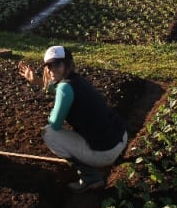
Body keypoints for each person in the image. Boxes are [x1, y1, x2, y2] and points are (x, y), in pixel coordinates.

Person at [18, 45, 128, 192]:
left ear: (67, 64)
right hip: (121, 139)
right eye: (48, 66)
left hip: (105, 154)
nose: (51, 69)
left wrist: (56, 108)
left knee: (49, 133)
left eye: (57, 64)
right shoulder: (77, 80)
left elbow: (55, 123)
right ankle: (114, 159)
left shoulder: (64, 88)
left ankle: (90, 178)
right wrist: (37, 81)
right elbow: (59, 90)